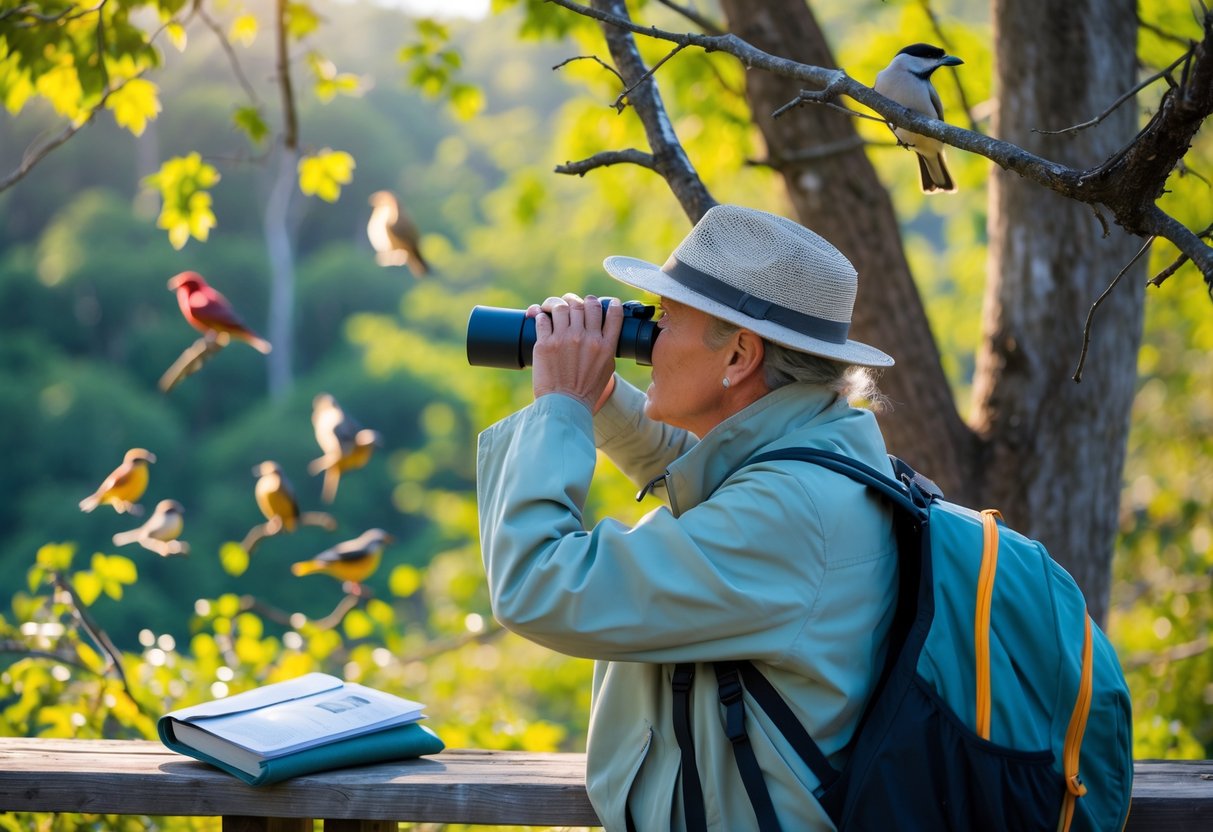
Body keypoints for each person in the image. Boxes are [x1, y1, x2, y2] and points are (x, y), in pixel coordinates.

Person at [476, 204, 899, 831]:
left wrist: (560, 406)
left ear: (738, 358)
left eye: (665, 319)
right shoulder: (825, 456)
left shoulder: (787, 514)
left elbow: (539, 586)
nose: (647, 338)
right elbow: (711, 465)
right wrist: (598, 395)